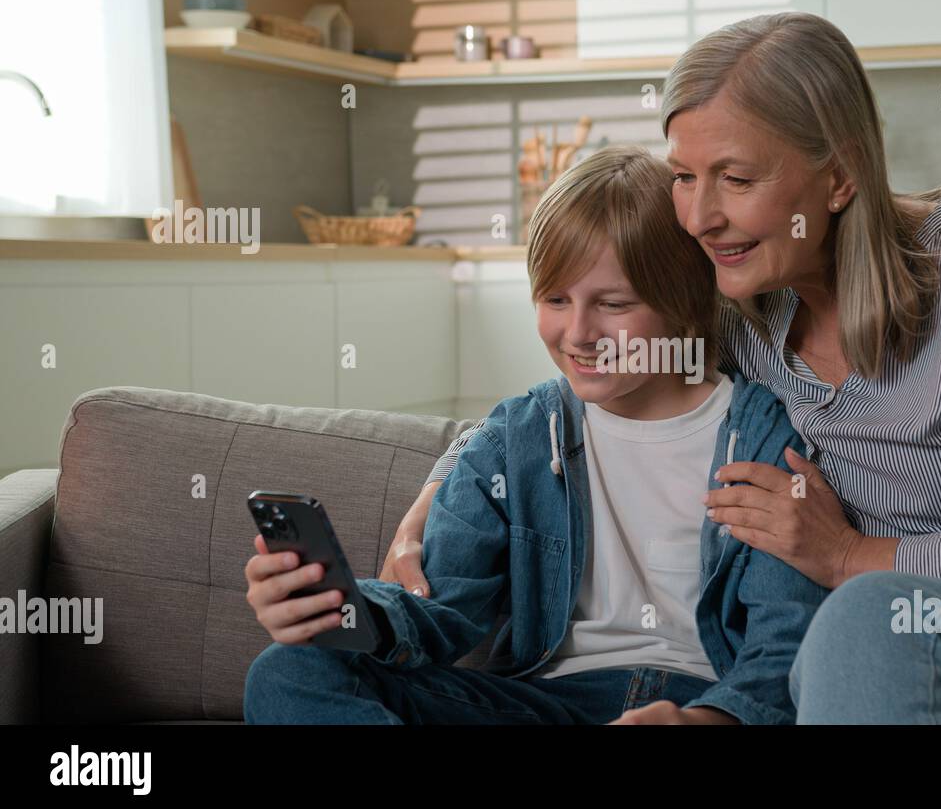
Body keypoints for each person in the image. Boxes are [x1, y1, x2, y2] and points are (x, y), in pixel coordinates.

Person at [387, 13, 941, 724]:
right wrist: (433, 498)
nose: (700, 217)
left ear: (840, 176)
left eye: (735, 178)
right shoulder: (739, 302)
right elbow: (581, 388)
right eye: (684, 177)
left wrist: (856, 556)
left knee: (866, 616)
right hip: (925, 670)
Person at [242, 145, 829, 725]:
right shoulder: (518, 436)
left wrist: (707, 720)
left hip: (699, 704)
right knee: (288, 671)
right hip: (546, 702)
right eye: (555, 299)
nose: (578, 333)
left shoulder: (762, 438)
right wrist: (340, 611)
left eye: (613, 303)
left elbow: (784, 645)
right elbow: (439, 610)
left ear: (683, 304)